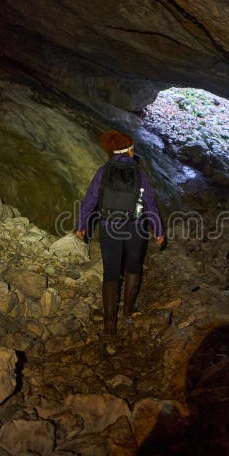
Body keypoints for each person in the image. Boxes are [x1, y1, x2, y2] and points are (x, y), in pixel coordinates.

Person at [77, 130, 165, 341]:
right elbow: (150, 204)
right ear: (130, 150)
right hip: (135, 228)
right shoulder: (139, 172)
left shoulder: (103, 171)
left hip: (109, 228)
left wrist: (82, 225)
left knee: (111, 274)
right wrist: (158, 231)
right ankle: (127, 311)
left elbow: (90, 200)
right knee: (133, 268)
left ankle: (109, 325)